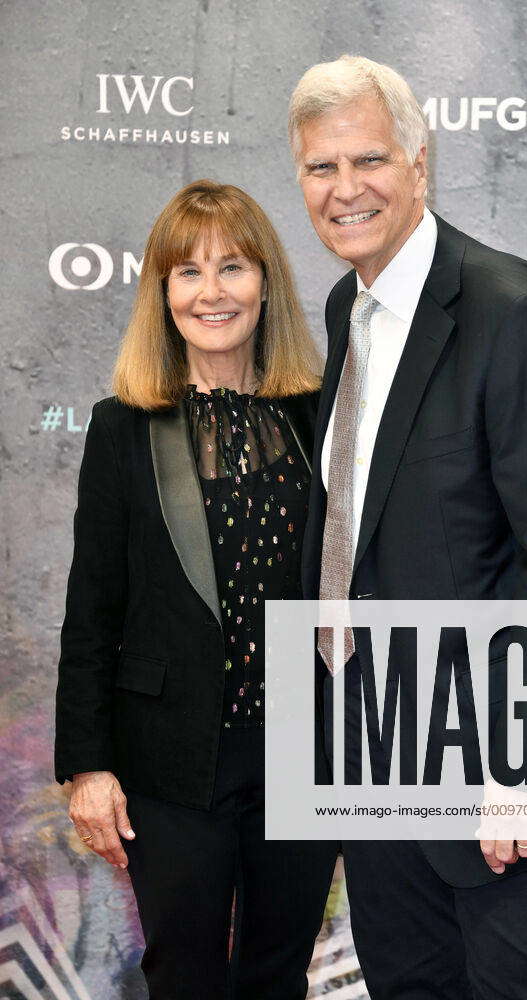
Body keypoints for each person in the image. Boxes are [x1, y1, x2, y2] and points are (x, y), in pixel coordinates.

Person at [289, 55, 527, 999]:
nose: (345, 189)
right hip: (382, 754)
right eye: (320, 168)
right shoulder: (346, 309)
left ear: (419, 164)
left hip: (498, 776)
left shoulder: (511, 309)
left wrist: (525, 764)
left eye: (369, 160)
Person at [54, 179, 338, 999]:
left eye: (233, 267)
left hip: (302, 754)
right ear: (162, 293)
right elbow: (91, 607)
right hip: (168, 762)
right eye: (188, 272)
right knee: (183, 975)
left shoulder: (320, 418)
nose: (212, 292)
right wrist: (88, 766)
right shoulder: (123, 427)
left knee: (278, 973)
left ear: (265, 284)